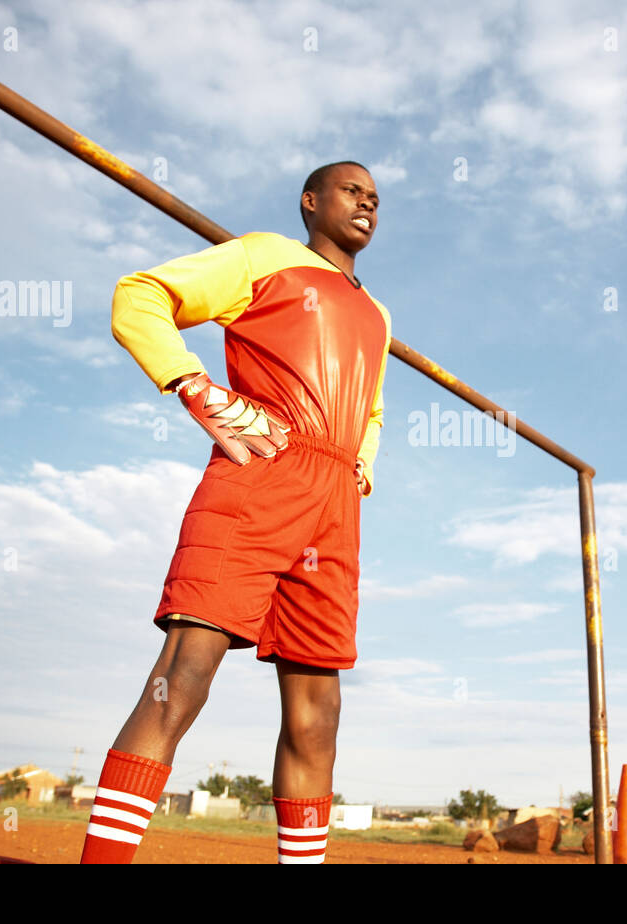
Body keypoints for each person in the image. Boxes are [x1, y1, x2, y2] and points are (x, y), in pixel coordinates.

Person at [80, 162, 391, 865]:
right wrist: (194, 386)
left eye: (375, 197)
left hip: (335, 501)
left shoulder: (377, 313)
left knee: (320, 715)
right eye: (352, 190)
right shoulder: (264, 256)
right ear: (311, 202)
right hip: (263, 472)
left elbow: (371, 407)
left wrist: (360, 464)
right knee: (184, 675)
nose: (368, 202)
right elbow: (140, 294)